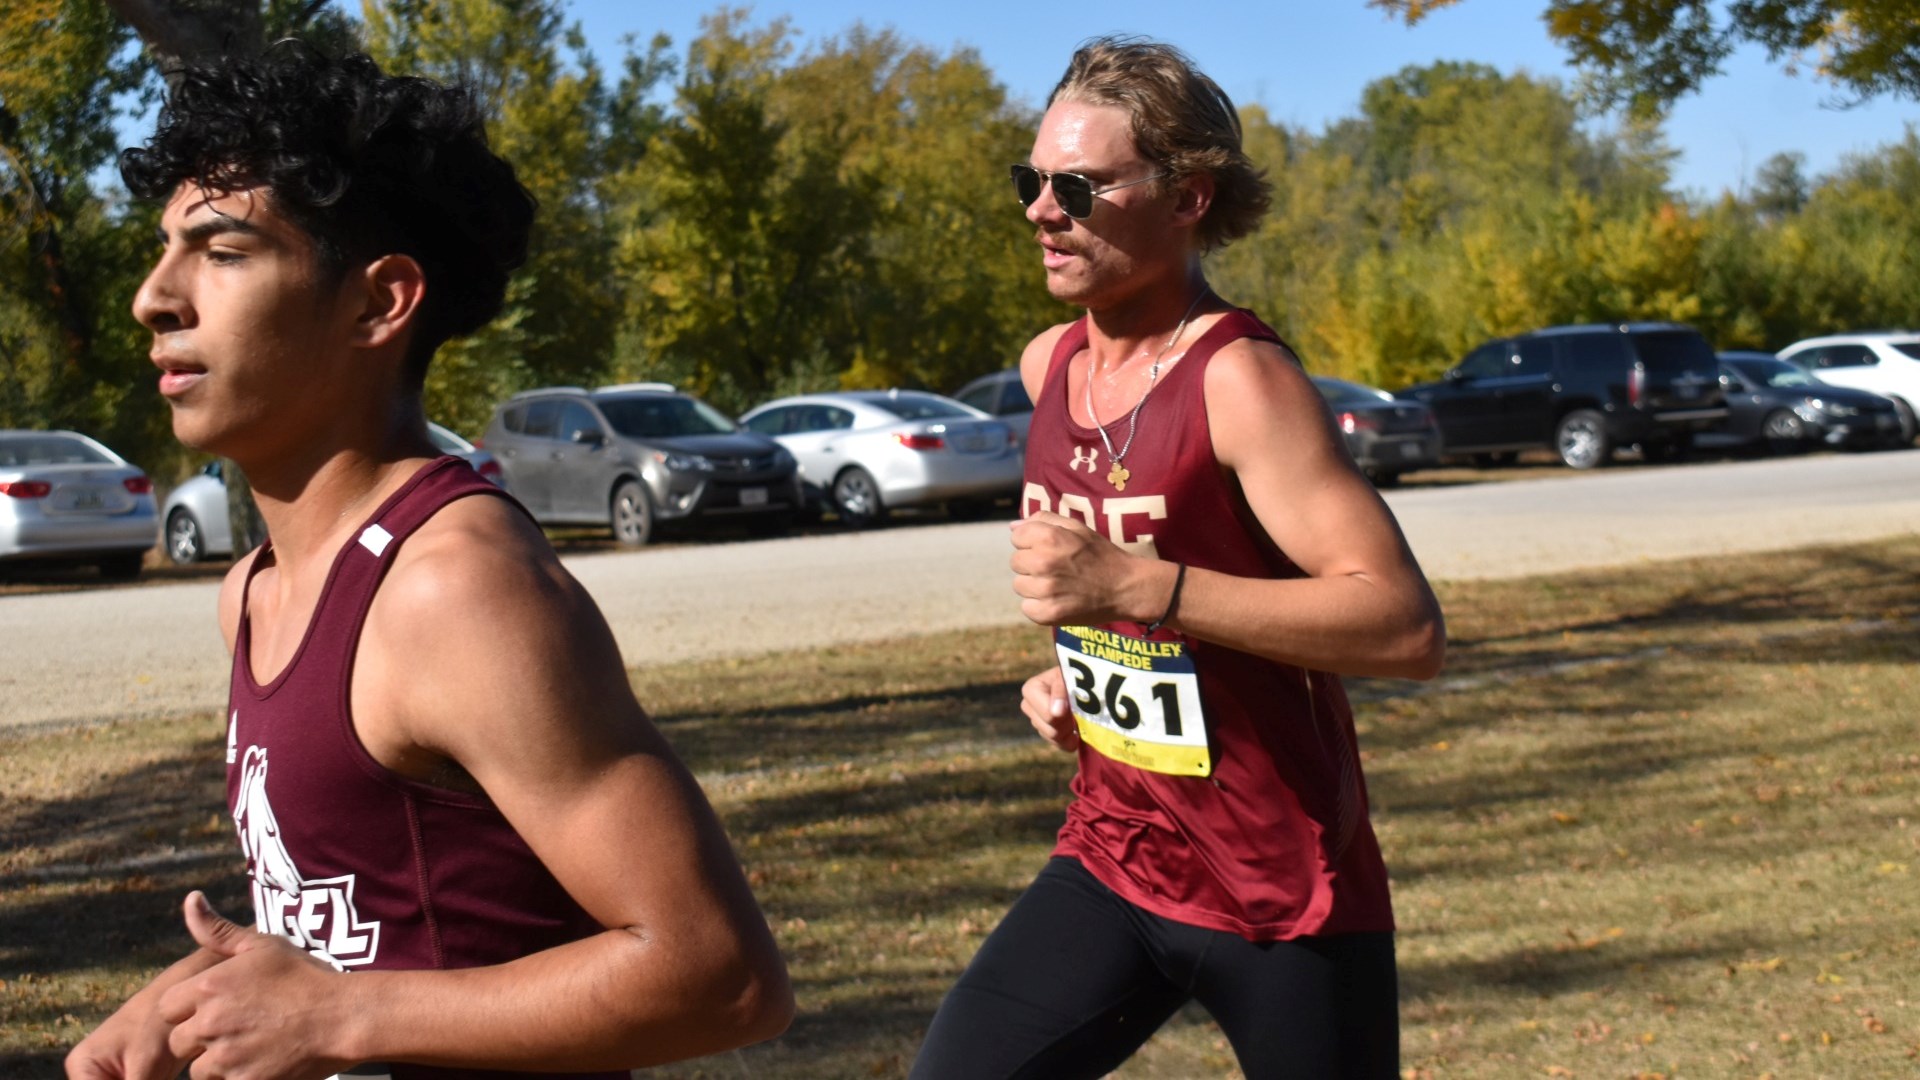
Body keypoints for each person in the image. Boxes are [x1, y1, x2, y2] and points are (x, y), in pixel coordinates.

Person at [67, 43, 791, 1080]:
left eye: (222, 252)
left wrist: (334, 1023)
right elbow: (389, 921)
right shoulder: (252, 591)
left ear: (378, 303)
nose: (154, 297)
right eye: (163, 250)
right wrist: (188, 1006)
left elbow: (722, 977)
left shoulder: (453, 586)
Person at [912, 37, 1446, 1080]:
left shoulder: (1239, 380)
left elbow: (1402, 626)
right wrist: (1078, 676)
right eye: (1032, 180)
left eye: (1078, 184)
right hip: (1116, 855)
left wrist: (1139, 589)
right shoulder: (1047, 368)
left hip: (1281, 890)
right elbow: (1140, 608)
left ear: (1189, 197)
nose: (1040, 208)